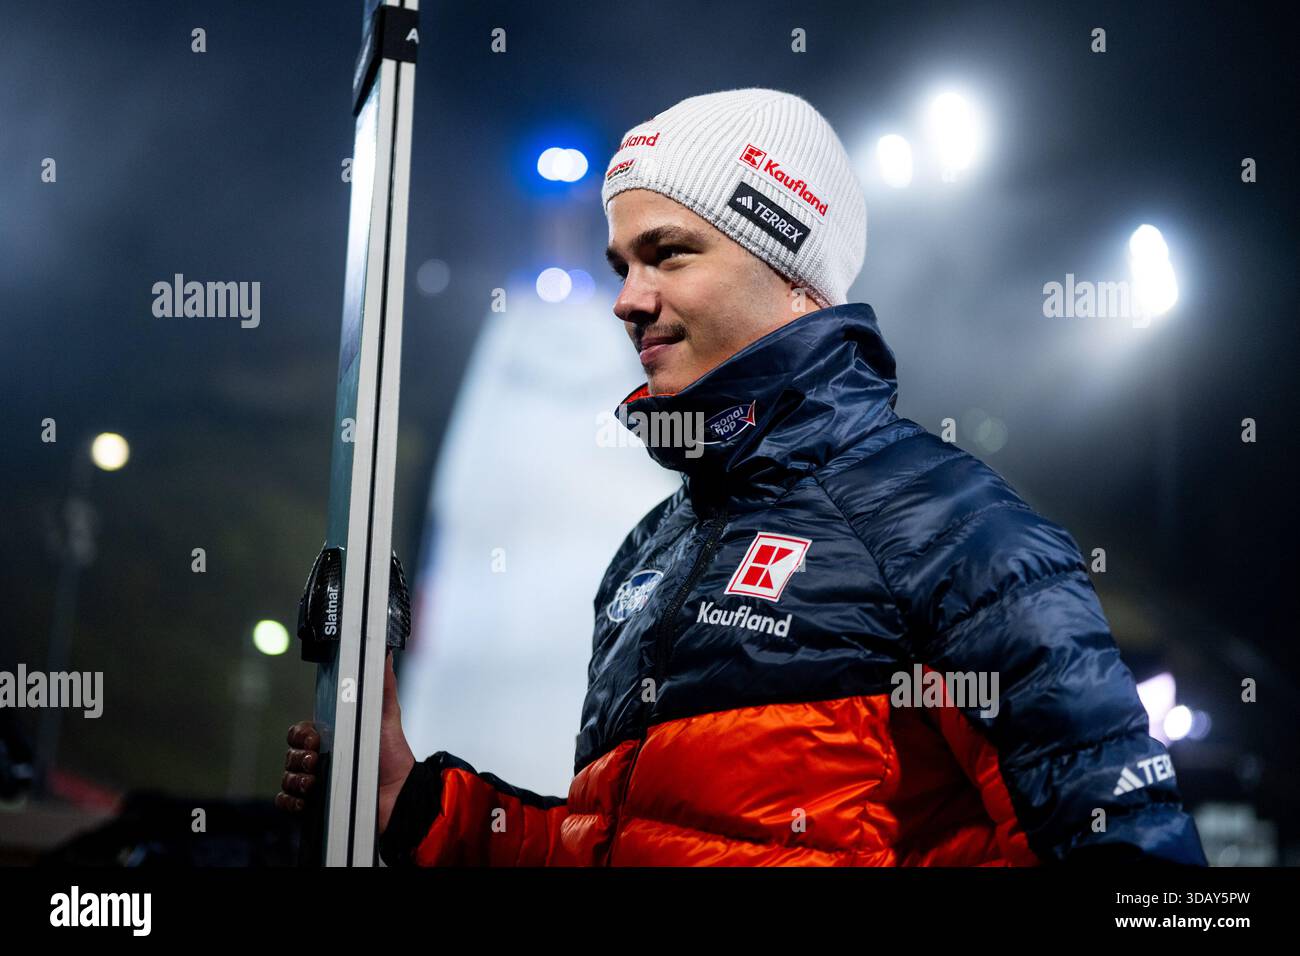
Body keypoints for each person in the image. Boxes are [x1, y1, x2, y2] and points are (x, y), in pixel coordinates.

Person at [278, 87, 1207, 866]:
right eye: (620, 263)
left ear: (791, 265)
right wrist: (417, 804)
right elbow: (615, 845)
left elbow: (1133, 868)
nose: (626, 298)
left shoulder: (958, 535)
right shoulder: (654, 550)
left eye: (668, 253)